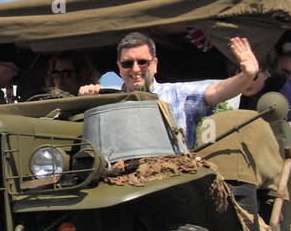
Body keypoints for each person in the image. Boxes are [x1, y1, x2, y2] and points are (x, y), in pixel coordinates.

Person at [79, 31, 260, 148]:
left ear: (155, 64)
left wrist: (246, 75)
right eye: (127, 63)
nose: (135, 69)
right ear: (119, 67)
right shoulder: (107, 102)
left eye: (142, 62)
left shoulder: (177, 94)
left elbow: (217, 91)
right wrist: (86, 102)